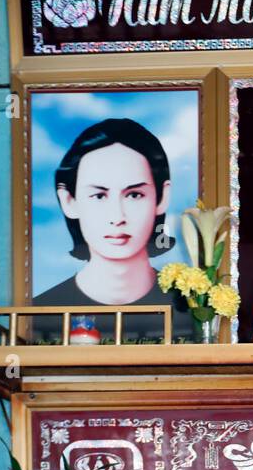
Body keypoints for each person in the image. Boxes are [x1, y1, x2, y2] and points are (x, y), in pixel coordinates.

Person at [33, 117, 193, 340]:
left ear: (162, 197)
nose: (117, 217)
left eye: (134, 195)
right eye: (99, 196)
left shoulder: (194, 313)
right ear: (69, 200)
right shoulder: (38, 316)